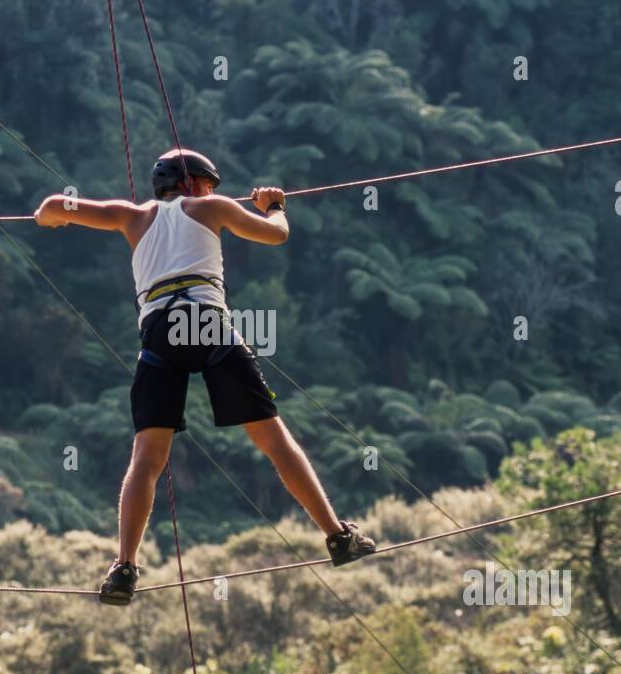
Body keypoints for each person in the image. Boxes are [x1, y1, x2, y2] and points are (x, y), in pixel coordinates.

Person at [34, 148, 375, 604]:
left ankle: (125, 569)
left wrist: (50, 218)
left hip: (157, 332)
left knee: (147, 458)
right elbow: (277, 235)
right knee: (273, 440)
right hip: (205, 321)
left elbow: (56, 206)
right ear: (193, 183)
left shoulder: (129, 217)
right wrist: (273, 205)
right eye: (210, 185)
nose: (213, 192)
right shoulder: (211, 206)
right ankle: (337, 536)